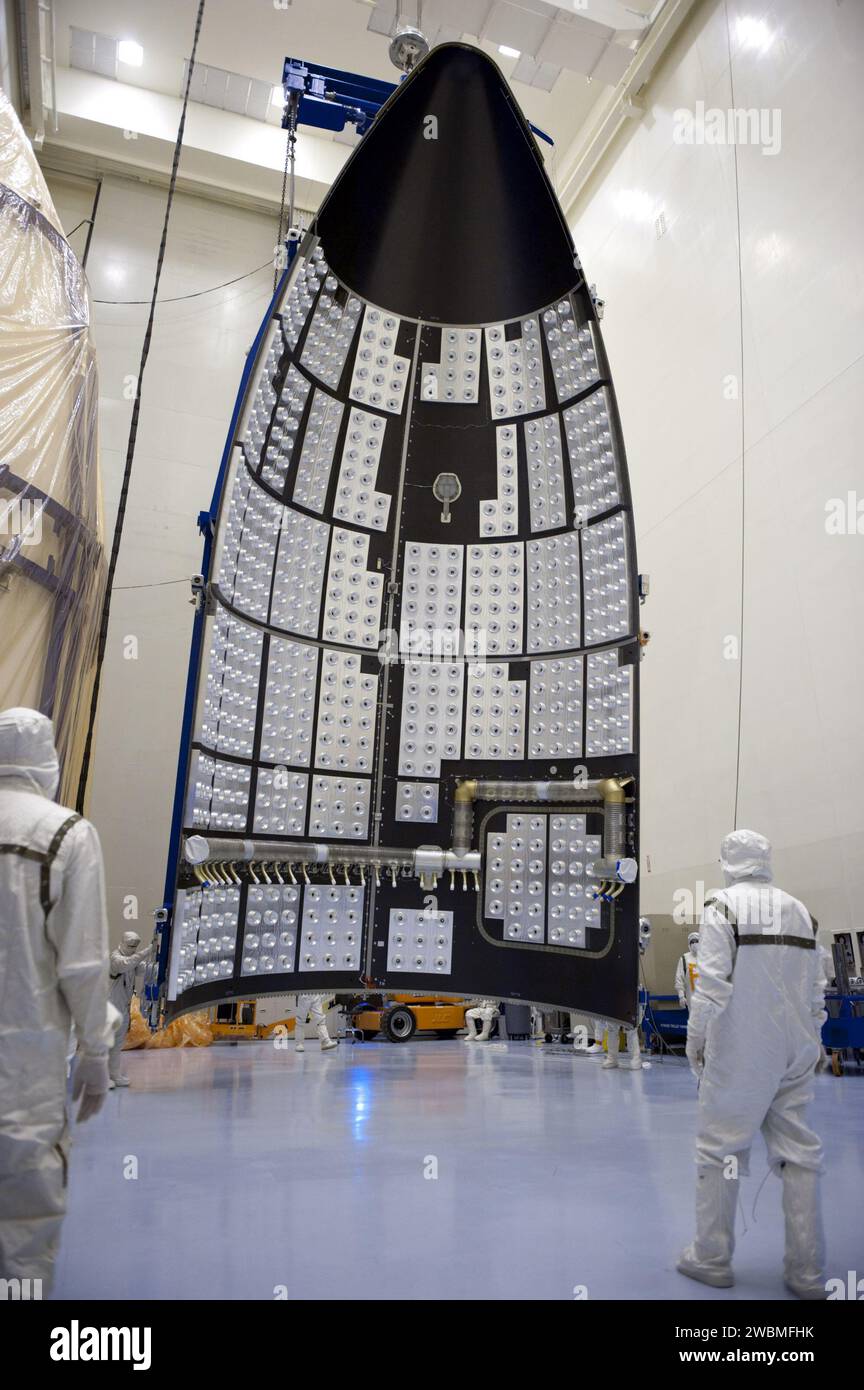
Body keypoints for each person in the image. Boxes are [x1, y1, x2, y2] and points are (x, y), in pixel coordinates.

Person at [678, 830, 827, 1300]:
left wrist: (696, 1039)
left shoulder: (721, 907)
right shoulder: (800, 911)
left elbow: (714, 984)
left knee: (720, 1149)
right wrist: (813, 1039)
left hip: (744, 1049)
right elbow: (816, 991)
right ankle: (806, 1272)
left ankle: (711, 1257)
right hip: (798, 1049)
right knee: (800, 1153)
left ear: (727, 861)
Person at [0, 708, 116, 1293]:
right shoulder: (66, 835)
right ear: (47, 759)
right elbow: (84, 966)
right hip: (24, 1076)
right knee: (23, 1222)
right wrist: (96, 1055)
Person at [108, 931, 154, 1086]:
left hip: (124, 1008)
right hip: (110, 1008)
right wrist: (148, 950)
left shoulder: (132, 961)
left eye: (135, 946)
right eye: (130, 945)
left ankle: (114, 1075)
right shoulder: (116, 958)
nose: (132, 949)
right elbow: (127, 964)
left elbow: (145, 969)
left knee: (117, 1045)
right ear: (122, 942)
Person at [675, 932, 700, 1010]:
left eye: (696, 941)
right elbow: (679, 978)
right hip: (691, 998)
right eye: (692, 942)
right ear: (689, 945)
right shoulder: (684, 959)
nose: (694, 944)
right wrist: (681, 996)